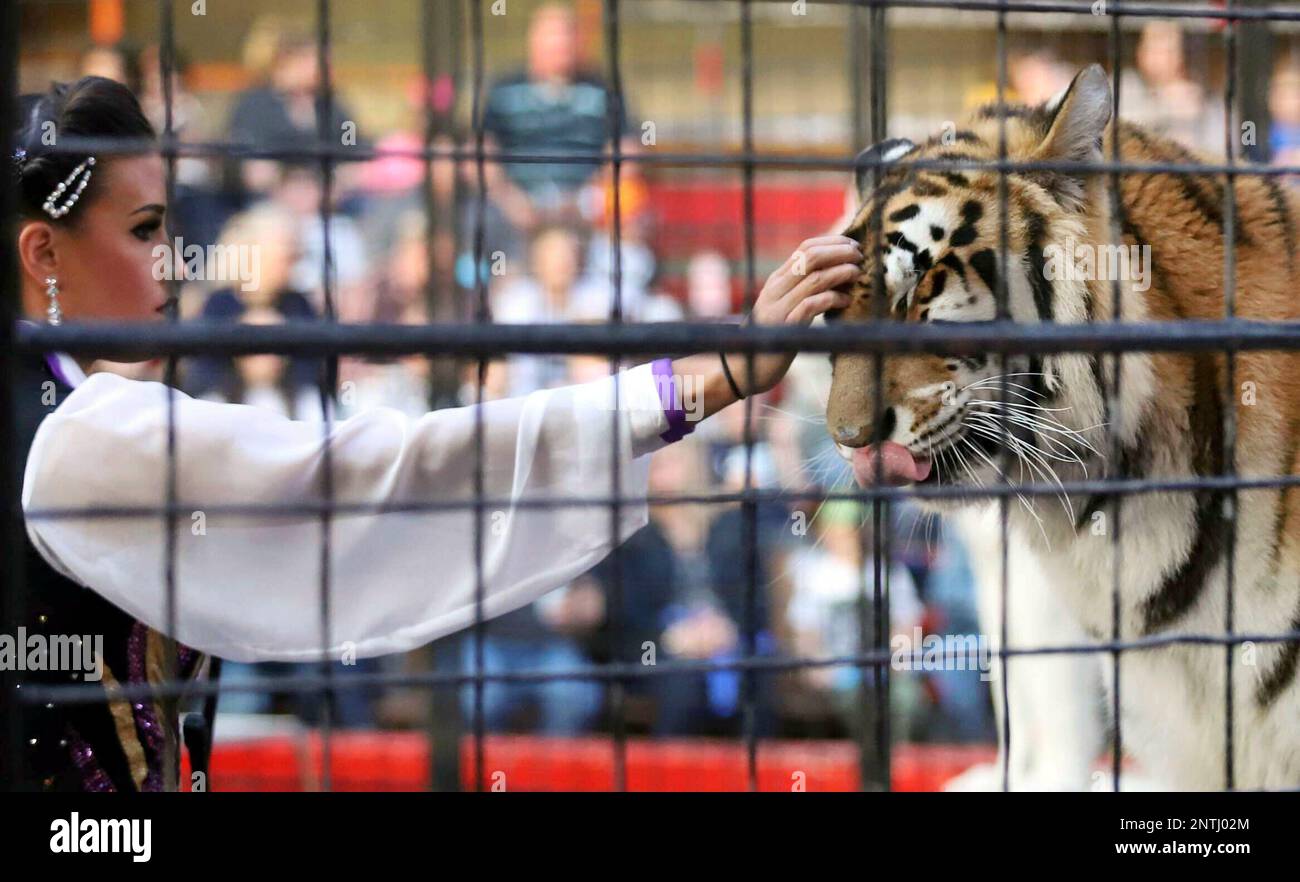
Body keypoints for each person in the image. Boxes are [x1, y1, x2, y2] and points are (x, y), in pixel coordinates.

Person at [4, 76, 861, 791]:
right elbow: (371, 471)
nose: (174, 260)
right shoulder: (75, 436)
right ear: (44, 255)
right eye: (146, 230)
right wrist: (707, 378)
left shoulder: (69, 414)